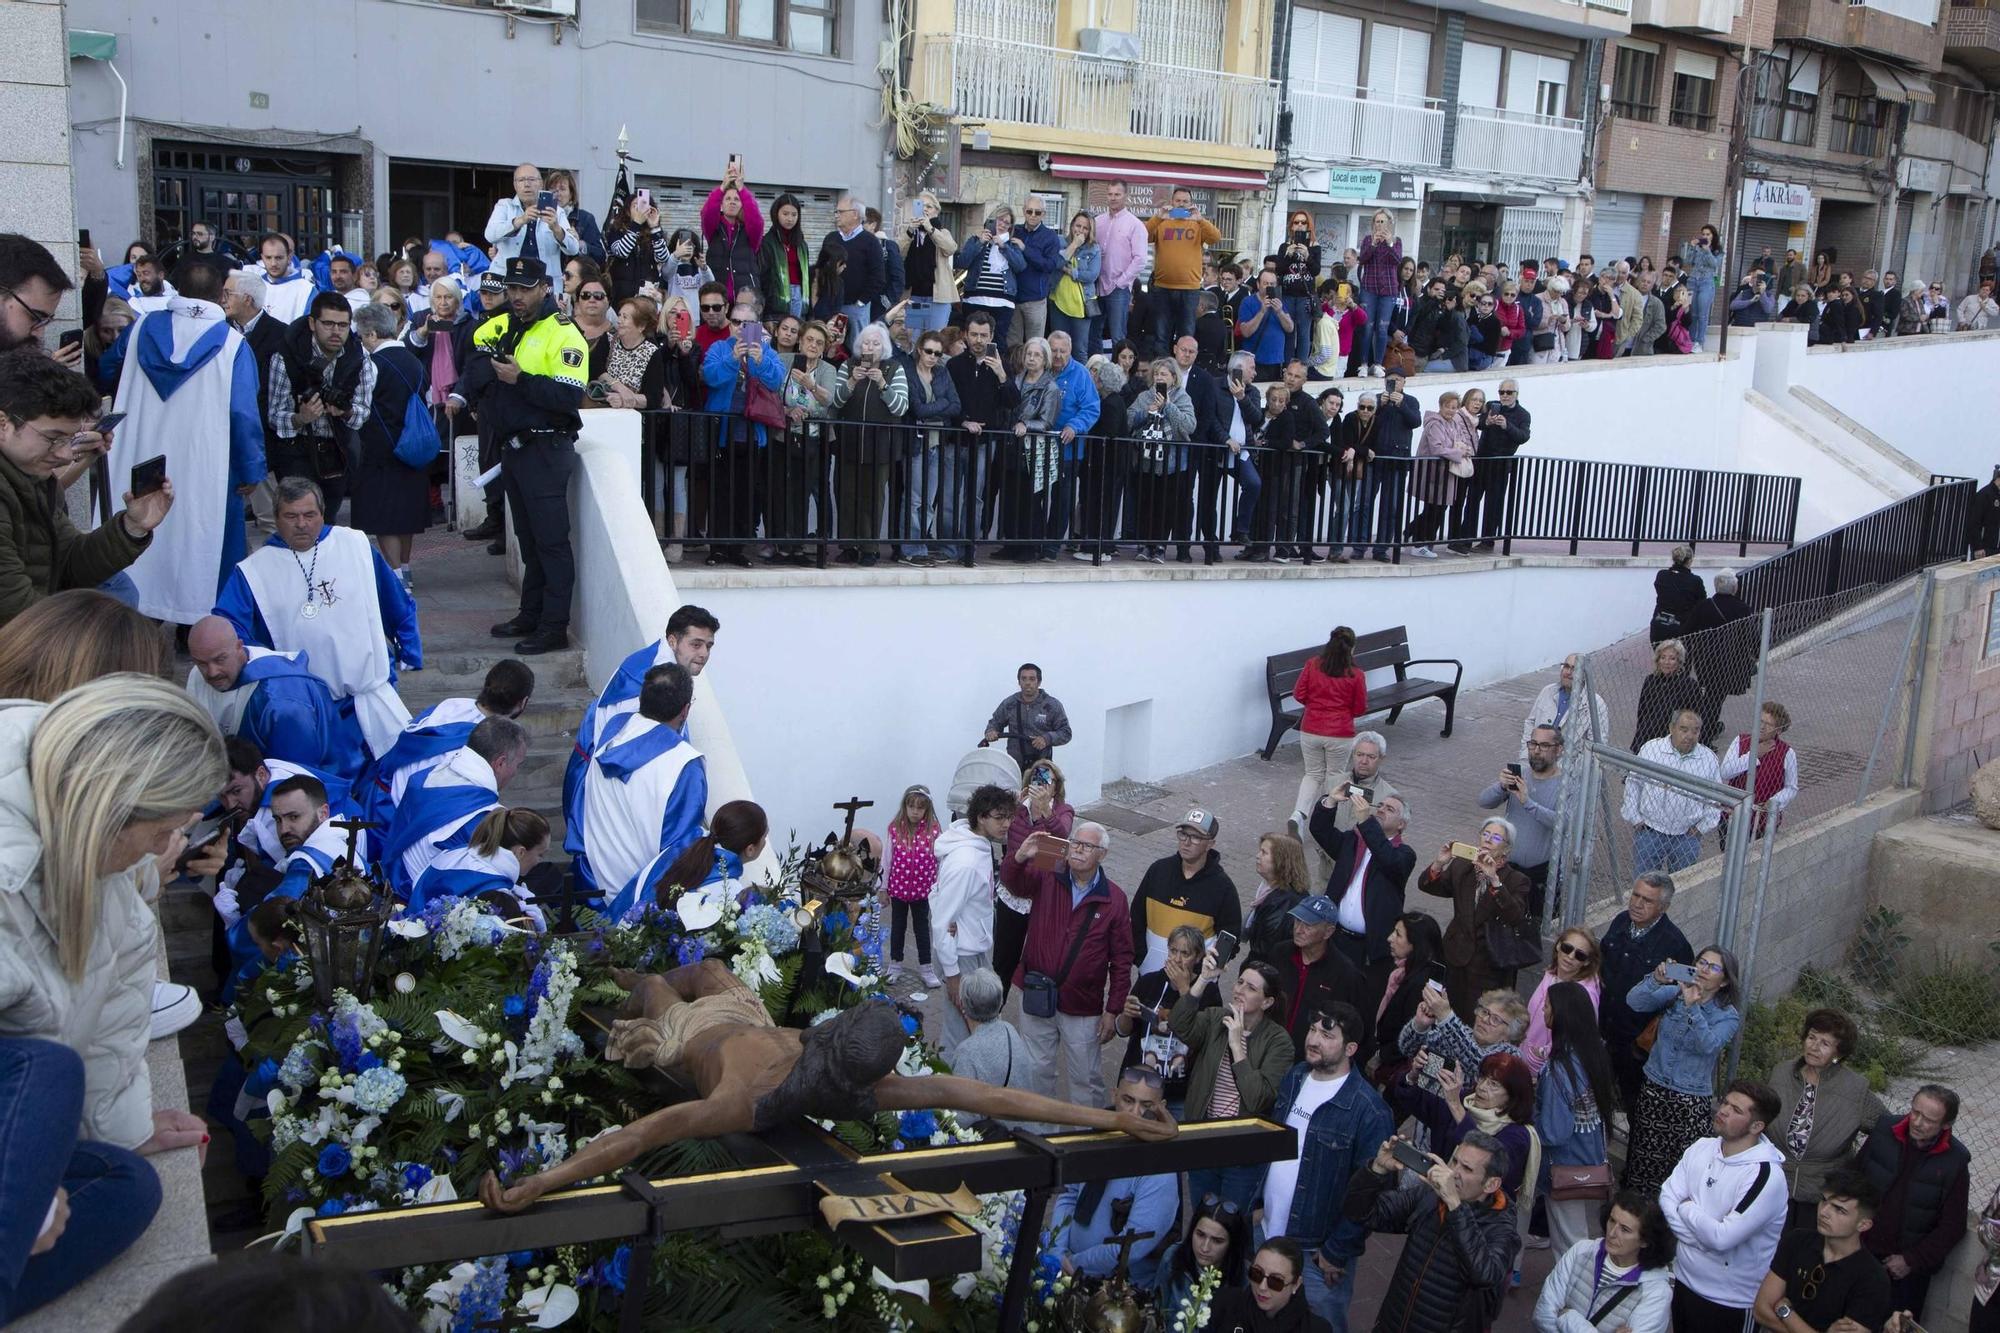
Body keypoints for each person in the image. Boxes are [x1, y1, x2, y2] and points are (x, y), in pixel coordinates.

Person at [484, 962, 1177, 1216]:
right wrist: (1101, 1115)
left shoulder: (758, 1089)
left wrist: (1106, 1117)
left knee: (658, 986)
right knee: (690, 973)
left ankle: (630, 968)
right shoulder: (857, 1088)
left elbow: (981, 1094)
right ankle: (619, 964)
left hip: (700, 1028)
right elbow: (977, 1095)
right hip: (731, 1021)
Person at [0, 677, 219, 1201]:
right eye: (160, 833)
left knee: (131, 1189)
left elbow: (109, 1001)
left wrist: (124, 1129)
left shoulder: (90, 848)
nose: (168, 849)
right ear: (111, 813)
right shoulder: (10, 889)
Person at [101, 262, 261, 626]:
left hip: (141, 451)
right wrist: (252, 468)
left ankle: (135, 616)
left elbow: (107, 370)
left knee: (139, 534)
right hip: (205, 462)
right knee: (204, 539)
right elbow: (243, 414)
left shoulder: (140, 329)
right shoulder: (233, 345)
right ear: (221, 294)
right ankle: (199, 627)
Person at [214, 477, 419, 760]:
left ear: (322, 514)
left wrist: (410, 648)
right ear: (276, 518)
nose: (302, 524)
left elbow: (393, 598)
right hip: (305, 709)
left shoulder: (355, 546)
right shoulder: (253, 572)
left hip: (367, 699)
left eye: (310, 515)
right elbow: (228, 631)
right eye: (291, 516)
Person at [448, 256, 588, 652]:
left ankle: (553, 626)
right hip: (514, 449)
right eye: (512, 288)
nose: (517, 296)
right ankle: (531, 613)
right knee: (528, 541)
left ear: (545, 288)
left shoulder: (564, 332)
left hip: (546, 446)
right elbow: (475, 356)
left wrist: (519, 379)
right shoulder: (505, 323)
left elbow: (566, 398)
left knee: (551, 542)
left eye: (525, 289)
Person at [0, 353, 164, 626]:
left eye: (70, 438)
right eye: (53, 438)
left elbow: (68, 562)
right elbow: (15, 609)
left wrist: (131, 527)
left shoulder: (28, 474)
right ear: (3, 424)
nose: (65, 454)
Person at [1260, 1003, 1393, 1330]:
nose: (1314, 1040)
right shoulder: (1296, 1076)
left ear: (1350, 1048)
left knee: (1321, 1323)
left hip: (1317, 1252)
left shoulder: (1369, 1111)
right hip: (1267, 1232)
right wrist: (1257, 1206)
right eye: (1313, 1031)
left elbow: (1373, 1192)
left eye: (1327, 1035)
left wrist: (1337, 1250)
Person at [1000, 819, 1130, 1109]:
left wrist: (1113, 1010)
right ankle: (1042, 1134)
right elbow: (1012, 882)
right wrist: (1019, 856)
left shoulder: (1115, 900)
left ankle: (1087, 1141)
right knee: (1036, 1071)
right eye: (1075, 842)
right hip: (1037, 993)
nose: (1078, 849)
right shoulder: (1048, 877)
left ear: (1102, 855)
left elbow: (1122, 960)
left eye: (1087, 845)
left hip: (1081, 1004)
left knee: (1086, 1077)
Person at [1344, 1129, 1520, 1333]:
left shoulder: (1502, 1227)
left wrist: (1455, 1204)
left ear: (1491, 1184)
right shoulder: (1430, 1196)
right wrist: (1376, 1170)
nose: (1453, 1172)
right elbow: (1360, 1212)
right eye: (1454, 1161)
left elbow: (1485, 1275)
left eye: (1467, 1168)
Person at [571, 663, 705, 908]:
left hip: (595, 881)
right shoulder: (685, 763)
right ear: (685, 710)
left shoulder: (612, 730)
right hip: (640, 898)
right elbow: (681, 848)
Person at [1659, 1081, 1790, 1333]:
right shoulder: (1701, 1147)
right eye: (1725, 1102)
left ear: (1757, 1126)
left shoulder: (1765, 1176)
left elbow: (1722, 1239)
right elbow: (1667, 1197)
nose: (1724, 1110)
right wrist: (1697, 1240)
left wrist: (1687, 1209)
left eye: (1737, 1110)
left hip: (1729, 1301)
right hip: (1683, 1281)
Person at [1171, 952, 1296, 1208]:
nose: (1239, 990)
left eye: (1251, 988)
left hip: (1242, 1150)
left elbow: (1257, 1097)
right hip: (1203, 1139)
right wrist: (1202, 980)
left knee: (1232, 1222)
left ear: (1267, 1002)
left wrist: (1238, 1048)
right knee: (1201, 1215)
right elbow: (1180, 1024)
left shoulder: (1279, 1041)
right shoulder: (1219, 1017)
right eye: (1239, 982)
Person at [1622, 946, 1744, 1191]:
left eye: (1713, 967)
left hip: (1688, 1100)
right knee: (1643, 1163)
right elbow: (1634, 1001)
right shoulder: (1675, 992)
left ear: (1724, 981)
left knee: (1680, 1171)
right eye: (1701, 962)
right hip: (1654, 1090)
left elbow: (1709, 1046)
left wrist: (1693, 1008)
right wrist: (1655, 979)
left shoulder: (1727, 1015)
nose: (1704, 969)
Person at [184, 614, 359, 781]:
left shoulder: (282, 698)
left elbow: (295, 776)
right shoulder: (198, 676)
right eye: (201, 663)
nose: (212, 672)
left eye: (220, 659)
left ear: (239, 646)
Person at [379, 715, 528, 896]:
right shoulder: (487, 818)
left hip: (392, 884)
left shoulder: (422, 779)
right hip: (425, 903)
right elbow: (482, 882)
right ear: (501, 763)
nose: (515, 773)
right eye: (517, 765)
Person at [1856, 1086, 1972, 1319]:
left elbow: (1952, 1226)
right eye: (1915, 1112)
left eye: (1929, 1119)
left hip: (1903, 1272)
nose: (1917, 1122)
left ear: (1946, 1125)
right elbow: (1853, 1180)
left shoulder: (1955, 1162)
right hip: (1858, 1249)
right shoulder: (1884, 1131)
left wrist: (1912, 1260)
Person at [1770, 1009, 1888, 1228]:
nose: (1814, 1046)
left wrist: (1859, 1169)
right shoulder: (1781, 1073)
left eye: (1825, 1043)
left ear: (1839, 1053)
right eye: (1812, 1037)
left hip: (1821, 1194)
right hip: (1774, 1184)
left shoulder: (1855, 1089)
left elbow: (1887, 1130)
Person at [348, 302, 429, 592]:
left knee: (385, 519)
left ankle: (395, 578)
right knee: (405, 516)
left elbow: (362, 406)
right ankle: (405, 569)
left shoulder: (372, 364)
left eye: (360, 336)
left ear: (371, 334)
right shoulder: (413, 360)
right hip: (413, 448)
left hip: (381, 450)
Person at [1597, 872, 1693, 1117]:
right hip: (1604, 1033)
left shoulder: (1674, 944)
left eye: (1647, 900)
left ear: (1663, 907)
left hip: (1636, 1047)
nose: (1637, 904)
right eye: (1635, 895)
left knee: (1635, 1108)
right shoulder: (1620, 922)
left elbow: (1681, 998)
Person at [1756, 1168, 1894, 1333]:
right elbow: (1761, 1310)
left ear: (1863, 1225)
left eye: (1839, 1210)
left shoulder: (1873, 1278)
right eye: (1824, 1200)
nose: (1823, 1212)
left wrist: (1786, 1313)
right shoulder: (1797, 1241)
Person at [931, 784, 1015, 1056]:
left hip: (975, 948)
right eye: (999, 817)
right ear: (981, 817)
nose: (1007, 824)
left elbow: (936, 892)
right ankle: (950, 1091)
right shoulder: (965, 861)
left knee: (976, 1028)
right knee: (961, 1035)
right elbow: (942, 920)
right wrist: (953, 976)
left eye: (1009, 817)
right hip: (962, 956)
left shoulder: (978, 844)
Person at [1416, 819, 1532, 1016]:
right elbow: (1429, 885)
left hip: (1488, 967)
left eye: (1496, 837)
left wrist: (1494, 881)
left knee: (1474, 1021)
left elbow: (1516, 916)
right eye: (1485, 834)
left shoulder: (1517, 881)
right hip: (1454, 956)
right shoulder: (1462, 866)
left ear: (1506, 849)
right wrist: (1439, 863)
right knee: (1442, 1014)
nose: (1488, 840)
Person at [1535, 980, 1618, 1253]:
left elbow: (1554, 1132)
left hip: (1565, 1168)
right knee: (1582, 1237)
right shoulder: (1593, 1055)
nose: (1543, 1010)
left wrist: (1529, 1117)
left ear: (1561, 1014)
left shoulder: (1560, 1068)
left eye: (1547, 1005)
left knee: (1571, 1245)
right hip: (1591, 1163)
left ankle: (1577, 1294)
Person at [1532, 1191, 1677, 1333]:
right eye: (1612, 1220)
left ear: (1645, 1241)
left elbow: (1555, 1316)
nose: (1612, 1233)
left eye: (1625, 1229)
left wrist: (1569, 1318)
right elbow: (1542, 1316)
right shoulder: (1580, 1252)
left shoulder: (1656, 1293)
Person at [611, 799, 766, 928]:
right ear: (750, 849)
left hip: (618, 928)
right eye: (764, 837)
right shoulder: (731, 892)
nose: (764, 842)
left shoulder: (685, 846)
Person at [1308, 788, 1415, 972]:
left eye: (1390, 809)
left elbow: (1387, 858)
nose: (1381, 810)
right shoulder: (1353, 841)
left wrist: (1366, 821)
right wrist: (1331, 801)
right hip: (1334, 936)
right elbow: (1320, 830)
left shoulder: (1404, 854)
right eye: (1380, 805)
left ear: (1401, 825)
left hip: (1368, 948)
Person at [1131, 807, 1242, 974]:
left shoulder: (1223, 887)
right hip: (1150, 975)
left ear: (1210, 844)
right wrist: (1142, 959)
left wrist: (1198, 973)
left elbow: (1229, 941)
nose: (1186, 842)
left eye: (1196, 837)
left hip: (1194, 985)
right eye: (1183, 834)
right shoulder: (1158, 871)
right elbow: (1136, 919)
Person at [1479, 726, 1564, 918]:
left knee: (1533, 925)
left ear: (1559, 750)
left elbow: (1561, 823)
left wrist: (1528, 802)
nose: (1536, 750)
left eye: (1544, 745)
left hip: (1539, 874)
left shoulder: (1566, 784)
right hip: (1505, 868)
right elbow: (1483, 801)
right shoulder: (1519, 775)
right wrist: (1501, 787)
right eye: (1533, 744)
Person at [1625, 708, 1722, 873]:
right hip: (1650, 831)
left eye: (1695, 731)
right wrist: (1635, 817)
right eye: (1684, 730)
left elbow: (1715, 798)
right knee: (1645, 882)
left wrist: (1702, 827)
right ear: (1671, 728)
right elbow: (1634, 783)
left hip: (1687, 836)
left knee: (1681, 887)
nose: (1689, 736)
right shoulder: (1651, 750)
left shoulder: (1708, 759)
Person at [945, 968, 1042, 1131]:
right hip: (1027, 1129)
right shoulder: (1009, 1029)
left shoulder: (966, 1052)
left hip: (1000, 1141)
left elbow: (963, 1119)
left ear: (963, 1006)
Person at [1290, 626, 1367, 828]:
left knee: (1312, 774)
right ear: (1351, 648)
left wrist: (1315, 705)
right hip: (1340, 733)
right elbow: (1359, 708)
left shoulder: (1312, 664)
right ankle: (1327, 820)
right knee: (1335, 775)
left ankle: (1298, 815)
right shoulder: (1356, 674)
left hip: (1311, 728)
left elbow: (1298, 693)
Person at [1201, 1236, 1333, 1333]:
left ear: (1295, 1284)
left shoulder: (1316, 1329)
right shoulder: (1225, 1304)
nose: (1262, 1287)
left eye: (1275, 1281)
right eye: (1257, 1274)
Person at [882, 784, 942, 987]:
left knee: (922, 928)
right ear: (905, 807)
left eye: (920, 808)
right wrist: (883, 887)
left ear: (927, 809)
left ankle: (926, 967)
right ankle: (895, 964)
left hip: (923, 890)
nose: (915, 812)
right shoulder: (895, 828)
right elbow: (887, 859)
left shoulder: (933, 830)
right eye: (912, 807)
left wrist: (939, 886)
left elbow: (940, 859)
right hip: (899, 888)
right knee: (898, 927)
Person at [1156, 1191, 1250, 1320]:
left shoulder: (1245, 1276)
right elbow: (1160, 1310)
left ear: (1232, 1244)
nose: (1205, 1248)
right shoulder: (1172, 1257)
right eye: (1200, 1235)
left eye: (1217, 1241)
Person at [1146, 188, 1222, 346]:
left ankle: (1182, 370)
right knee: (1161, 335)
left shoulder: (1197, 223)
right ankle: (1163, 369)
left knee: (1186, 336)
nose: (1181, 204)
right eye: (1178, 201)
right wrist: (1158, 218)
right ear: (1171, 203)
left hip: (1189, 289)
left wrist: (1200, 219)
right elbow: (1142, 235)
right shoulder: (1161, 222)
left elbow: (1216, 238)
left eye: (1185, 201)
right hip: (1162, 287)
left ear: (1191, 204)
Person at [484, 163, 583, 272]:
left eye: (531, 179)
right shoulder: (504, 206)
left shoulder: (556, 211)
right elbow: (490, 235)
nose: (527, 184)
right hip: (508, 278)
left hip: (543, 281)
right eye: (521, 180)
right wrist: (521, 220)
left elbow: (573, 249)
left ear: (541, 184)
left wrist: (556, 229)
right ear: (515, 185)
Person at [981, 662, 1071, 771]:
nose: (1027, 683)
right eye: (1024, 679)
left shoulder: (1052, 705)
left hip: (1042, 767)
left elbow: (1066, 733)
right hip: (1014, 768)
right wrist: (991, 731)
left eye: (1032, 679)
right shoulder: (1009, 704)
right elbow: (994, 723)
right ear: (1019, 682)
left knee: (1045, 788)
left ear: (1039, 682)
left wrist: (1046, 739)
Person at [1243, 831, 1311, 967]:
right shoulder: (1268, 889)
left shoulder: (1282, 902)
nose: (1258, 856)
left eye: (1264, 853)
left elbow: (1267, 948)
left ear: (1281, 860)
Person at [1523, 654, 1612, 755]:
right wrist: (1525, 755)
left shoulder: (1596, 704)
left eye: (1574, 669)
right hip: (1537, 757)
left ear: (1584, 675)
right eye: (1566, 666)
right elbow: (1530, 723)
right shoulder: (1548, 691)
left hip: (1569, 766)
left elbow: (1597, 747)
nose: (1568, 672)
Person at [1651, 545, 1705, 644]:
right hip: (1682, 628)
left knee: (1660, 657)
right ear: (1689, 561)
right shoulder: (1695, 581)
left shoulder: (1661, 575)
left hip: (1659, 623)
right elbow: (1701, 603)